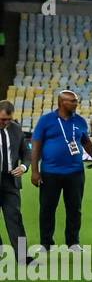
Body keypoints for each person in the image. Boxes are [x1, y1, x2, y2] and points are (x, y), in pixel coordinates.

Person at [30, 90, 92, 251]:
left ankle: (73, 242)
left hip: (75, 172)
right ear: (62, 102)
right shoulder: (46, 120)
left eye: (76, 101)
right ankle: (46, 243)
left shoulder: (80, 121)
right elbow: (36, 146)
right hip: (50, 172)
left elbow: (85, 140)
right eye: (72, 101)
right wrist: (35, 171)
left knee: (74, 209)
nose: (76, 104)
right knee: (47, 208)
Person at [0, 100, 30, 257]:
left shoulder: (16, 129)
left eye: (8, 120)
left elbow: (26, 153)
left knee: (15, 218)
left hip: (11, 181)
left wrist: (24, 167)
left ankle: (23, 256)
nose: (5, 123)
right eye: (2, 119)